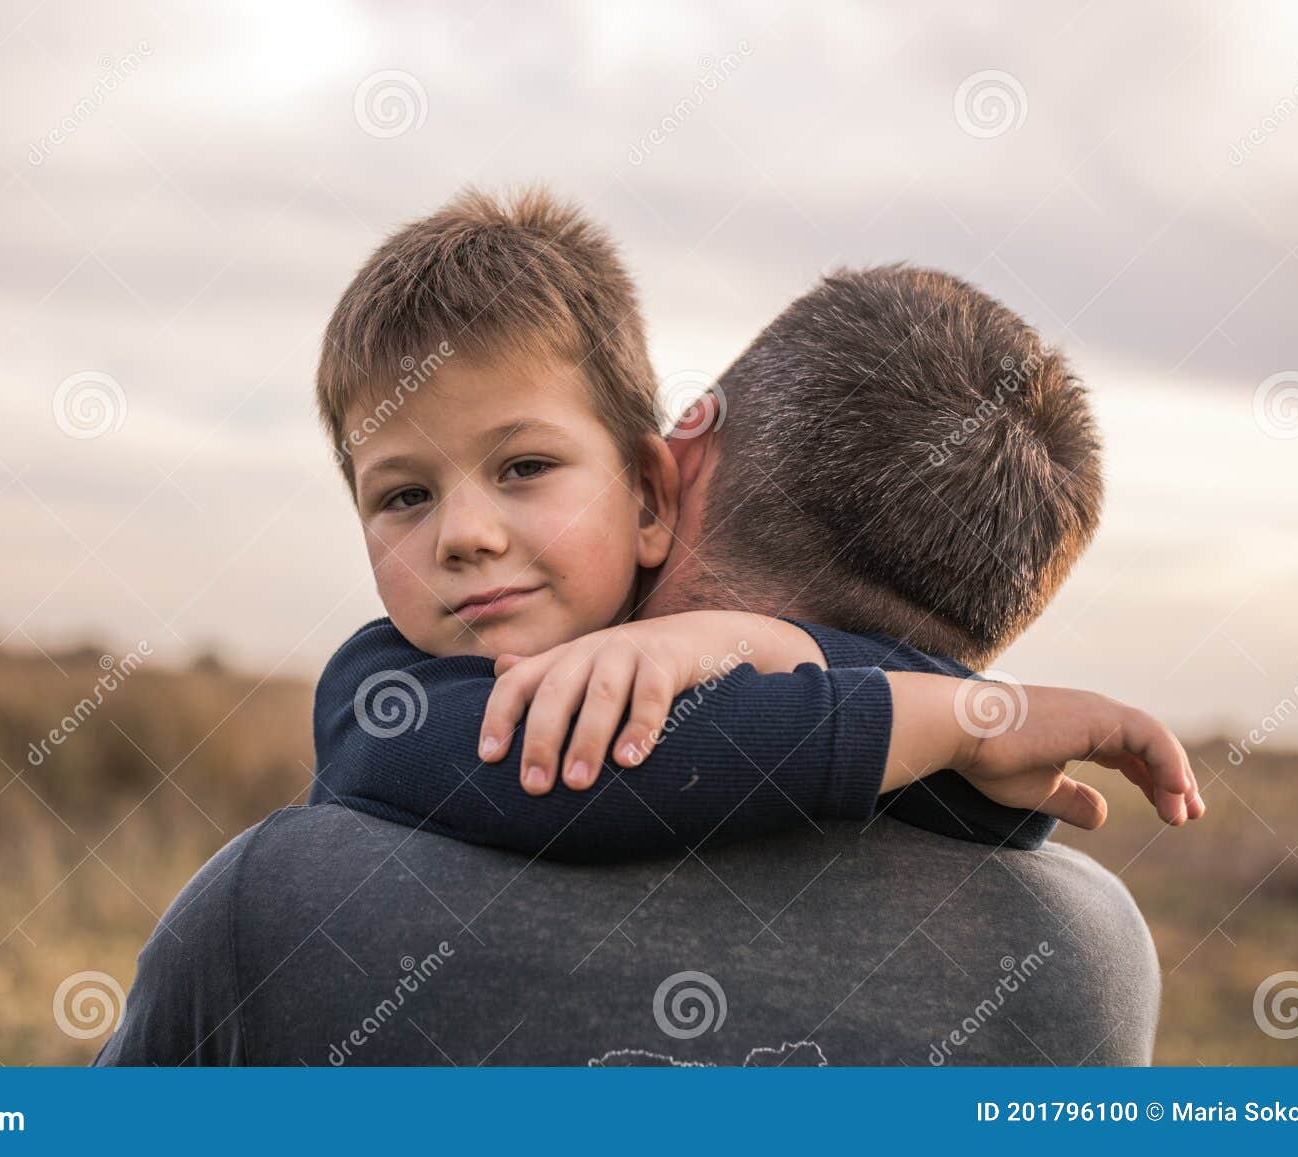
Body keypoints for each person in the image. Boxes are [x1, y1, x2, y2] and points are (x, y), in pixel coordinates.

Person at [93, 192, 1193, 1066]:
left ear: (660, 487)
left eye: (526, 467)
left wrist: (767, 653)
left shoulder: (270, 909)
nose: (464, 534)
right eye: (403, 495)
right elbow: (587, 778)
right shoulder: (1089, 959)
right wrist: (921, 707)